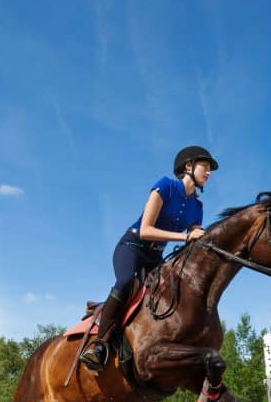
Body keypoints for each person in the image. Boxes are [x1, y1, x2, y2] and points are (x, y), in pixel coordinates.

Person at [79, 145, 218, 372]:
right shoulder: (165, 187)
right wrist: (184, 236)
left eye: (211, 169)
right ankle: (99, 344)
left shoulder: (197, 206)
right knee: (125, 283)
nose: (209, 173)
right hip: (132, 247)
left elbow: (195, 241)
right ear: (189, 166)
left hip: (155, 257)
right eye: (206, 166)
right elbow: (145, 230)